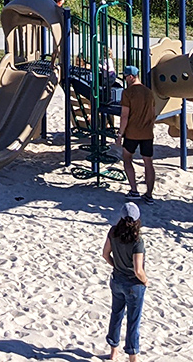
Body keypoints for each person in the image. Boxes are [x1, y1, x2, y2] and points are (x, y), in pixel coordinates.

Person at [102, 202, 148, 361]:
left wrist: (117, 266)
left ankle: (113, 352)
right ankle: (132, 357)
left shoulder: (113, 232)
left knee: (116, 314)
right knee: (133, 321)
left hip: (117, 279)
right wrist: (145, 281)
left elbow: (105, 254)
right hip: (133, 284)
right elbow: (138, 270)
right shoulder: (137, 241)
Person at [117, 66, 156, 204]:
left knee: (127, 158)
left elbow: (124, 116)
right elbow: (153, 113)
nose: (125, 79)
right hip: (147, 133)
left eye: (126, 76)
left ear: (131, 77)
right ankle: (149, 195)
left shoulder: (128, 93)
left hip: (132, 133)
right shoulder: (149, 92)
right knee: (148, 163)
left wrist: (120, 134)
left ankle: (134, 190)